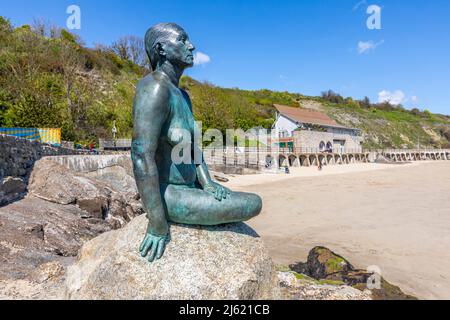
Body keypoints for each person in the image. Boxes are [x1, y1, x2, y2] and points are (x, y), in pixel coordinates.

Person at [131, 23, 262, 263]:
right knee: (252, 203)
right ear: (161, 49)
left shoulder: (183, 96)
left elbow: (192, 149)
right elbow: (141, 155)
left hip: (192, 188)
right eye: (182, 40)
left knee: (250, 202)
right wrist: (157, 223)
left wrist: (208, 183)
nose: (191, 46)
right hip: (169, 192)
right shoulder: (154, 89)